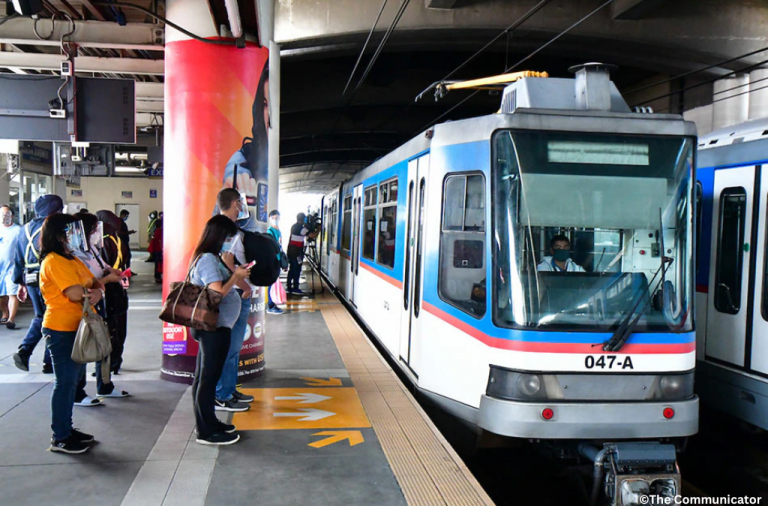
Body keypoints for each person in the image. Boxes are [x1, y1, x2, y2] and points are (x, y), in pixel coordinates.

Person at [39, 213, 106, 454]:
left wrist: (97, 291)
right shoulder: (53, 261)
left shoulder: (72, 258)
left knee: (72, 381)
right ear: (60, 235)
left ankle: (66, 429)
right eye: (71, 231)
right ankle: (60, 436)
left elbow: (96, 282)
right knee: (65, 382)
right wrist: (94, 292)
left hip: (79, 327)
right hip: (61, 329)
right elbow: (75, 293)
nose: (78, 235)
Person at [188, 215, 251, 445]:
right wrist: (236, 276)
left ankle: (210, 422)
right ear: (219, 237)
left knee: (204, 377)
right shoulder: (207, 259)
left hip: (215, 327)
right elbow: (216, 294)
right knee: (208, 379)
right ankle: (205, 431)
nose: (230, 243)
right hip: (213, 328)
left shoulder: (211, 257)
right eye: (228, 238)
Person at [72, 212, 129, 404]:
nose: (97, 232)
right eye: (94, 229)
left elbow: (102, 267)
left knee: (104, 342)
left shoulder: (92, 249)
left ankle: (105, 384)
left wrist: (111, 271)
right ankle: (78, 391)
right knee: (83, 345)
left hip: (102, 302)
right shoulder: (73, 254)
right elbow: (85, 283)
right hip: (86, 305)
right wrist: (106, 279)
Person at [12, 195, 62, 373]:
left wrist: (20, 282)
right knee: (51, 317)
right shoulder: (52, 228)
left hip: (30, 278)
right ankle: (34, 355)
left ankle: (42, 358)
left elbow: (18, 257)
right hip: (49, 277)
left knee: (43, 315)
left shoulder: (24, 229)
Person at [214, 189, 254, 412]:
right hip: (234, 293)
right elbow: (227, 261)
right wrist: (245, 287)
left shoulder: (225, 228)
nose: (241, 207)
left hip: (235, 293)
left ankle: (229, 388)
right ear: (235, 203)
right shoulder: (229, 230)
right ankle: (222, 394)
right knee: (230, 347)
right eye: (239, 202)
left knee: (234, 347)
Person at [97, 210, 131, 375]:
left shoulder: (104, 242)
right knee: (119, 324)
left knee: (109, 326)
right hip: (119, 287)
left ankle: (109, 363)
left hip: (108, 288)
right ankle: (115, 361)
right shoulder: (117, 240)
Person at [0, 205, 22, 329]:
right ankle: (5, 313)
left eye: (7, 214)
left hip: (12, 267)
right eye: (2, 215)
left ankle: (11, 319)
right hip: (0, 268)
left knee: (12, 293)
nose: (4, 217)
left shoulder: (18, 230)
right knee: (2, 295)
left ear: (12, 216)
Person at [266, 209, 285, 315]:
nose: (275, 220)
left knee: (273, 282)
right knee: (271, 283)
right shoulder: (270, 231)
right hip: (273, 259)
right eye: (273, 218)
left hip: (277, 259)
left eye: (277, 218)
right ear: (269, 219)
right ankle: (270, 305)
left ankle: (272, 302)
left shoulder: (278, 230)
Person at [286, 213, 310, 295]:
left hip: (291, 251)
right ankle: (295, 288)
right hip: (296, 253)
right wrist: (318, 229)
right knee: (296, 270)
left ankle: (289, 286)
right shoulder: (302, 228)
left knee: (292, 269)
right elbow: (312, 235)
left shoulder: (294, 226)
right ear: (303, 219)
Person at [148, 219, 163, 283]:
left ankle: (157, 277)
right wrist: (162, 248)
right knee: (158, 264)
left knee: (157, 264)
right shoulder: (159, 231)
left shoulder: (155, 231)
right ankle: (158, 277)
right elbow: (160, 241)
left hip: (156, 250)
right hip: (158, 250)